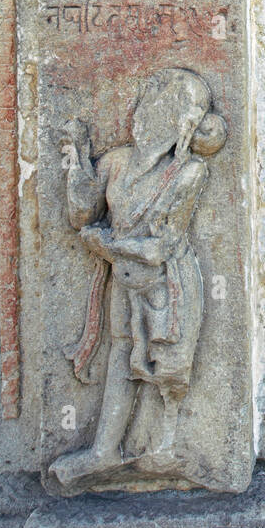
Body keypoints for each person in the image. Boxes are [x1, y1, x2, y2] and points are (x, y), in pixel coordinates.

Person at [50, 67, 226, 490]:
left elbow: (160, 247)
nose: (140, 111)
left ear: (177, 122)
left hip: (167, 285)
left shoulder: (187, 173)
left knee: (167, 370)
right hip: (125, 281)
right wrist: (77, 157)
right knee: (121, 358)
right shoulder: (116, 162)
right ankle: (105, 452)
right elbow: (82, 213)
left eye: (153, 104)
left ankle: (166, 449)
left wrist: (109, 247)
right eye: (144, 101)